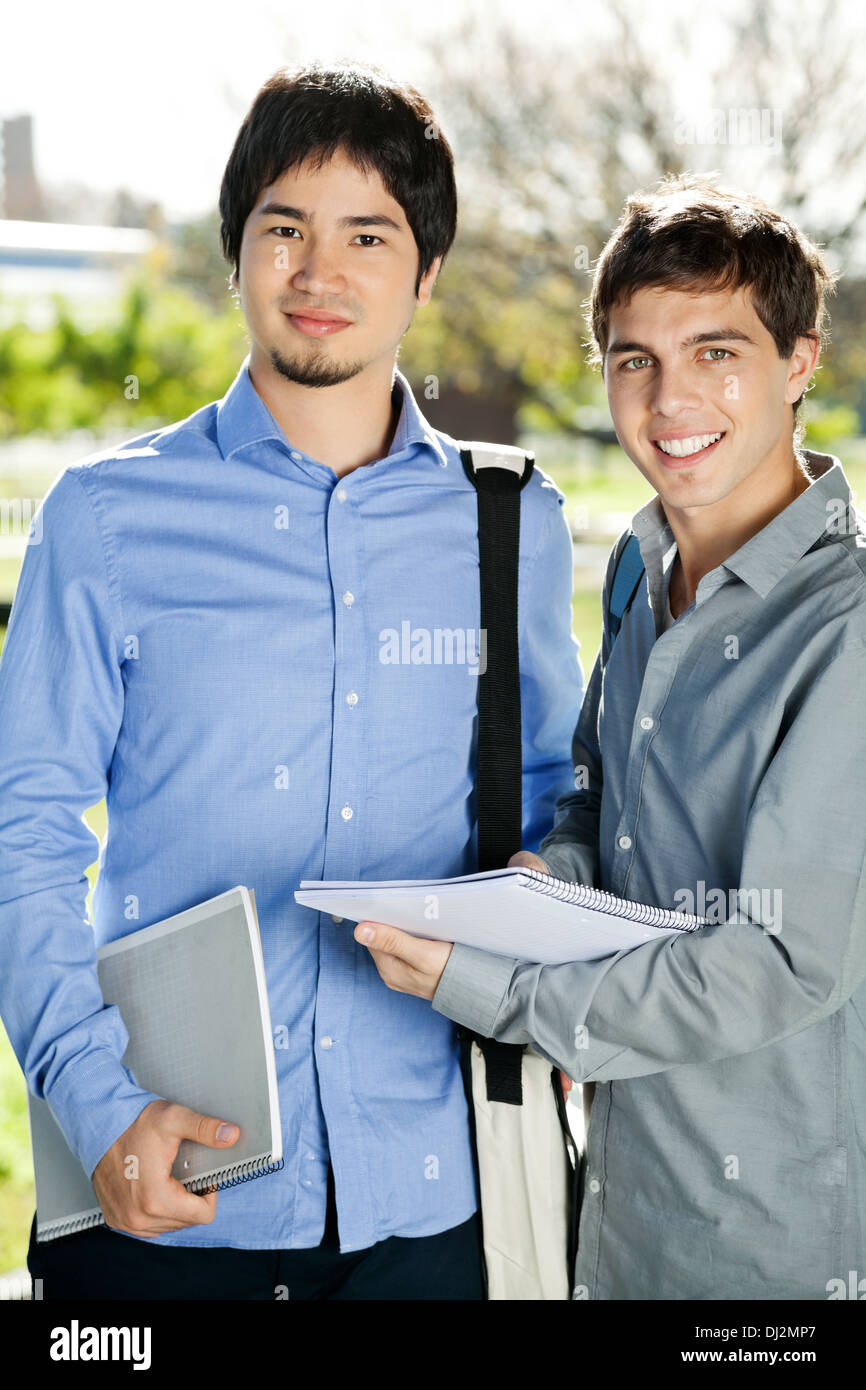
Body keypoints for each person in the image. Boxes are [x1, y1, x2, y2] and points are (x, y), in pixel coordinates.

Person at [0, 63, 583, 1300]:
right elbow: (21, 830)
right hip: (165, 1194)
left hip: (435, 1200)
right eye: (286, 229)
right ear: (237, 253)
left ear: (424, 272)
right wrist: (98, 1107)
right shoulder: (103, 519)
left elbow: (550, 802)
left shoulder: (509, 520)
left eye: (367, 234)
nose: (321, 273)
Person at [356, 175, 866, 1301]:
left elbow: (778, 964)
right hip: (624, 1223)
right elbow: (602, 806)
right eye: (633, 357)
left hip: (773, 1259)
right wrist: (546, 880)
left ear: (796, 362)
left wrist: (484, 982)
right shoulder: (640, 572)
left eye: (715, 351)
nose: (669, 396)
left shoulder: (846, 628)